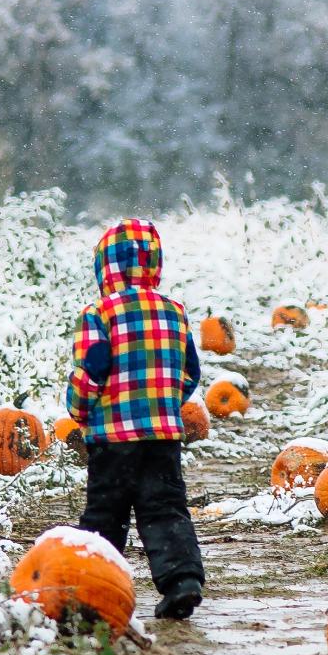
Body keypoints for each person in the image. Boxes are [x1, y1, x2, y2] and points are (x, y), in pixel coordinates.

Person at [66, 218, 207, 620]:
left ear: (105, 268)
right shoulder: (174, 312)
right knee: (165, 508)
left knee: (105, 514)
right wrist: (164, 402)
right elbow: (189, 371)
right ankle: (182, 581)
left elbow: (91, 369)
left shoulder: (99, 313)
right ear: (154, 266)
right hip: (162, 435)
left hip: (112, 438)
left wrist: (78, 409)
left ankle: (93, 590)